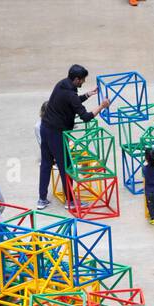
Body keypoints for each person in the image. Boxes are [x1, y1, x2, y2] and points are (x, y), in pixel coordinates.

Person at [38, 65, 111, 210]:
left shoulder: (61, 84)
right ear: (76, 79)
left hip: (45, 128)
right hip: (57, 134)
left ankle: (41, 199)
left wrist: (88, 94)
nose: (83, 82)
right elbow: (85, 117)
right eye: (82, 80)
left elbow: (73, 102)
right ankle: (70, 201)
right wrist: (102, 106)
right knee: (67, 167)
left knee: (46, 164)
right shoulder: (70, 94)